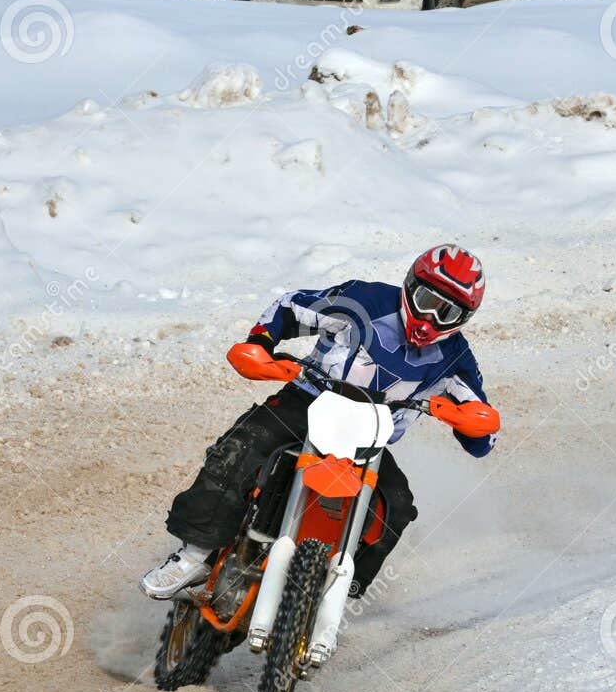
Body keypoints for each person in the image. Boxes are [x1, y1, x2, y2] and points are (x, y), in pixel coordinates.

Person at [141, 244, 501, 600]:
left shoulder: (456, 358)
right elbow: (291, 307)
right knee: (242, 447)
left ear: (463, 320)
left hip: (370, 436)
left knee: (398, 504)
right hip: (309, 400)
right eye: (427, 301)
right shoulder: (363, 301)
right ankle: (194, 555)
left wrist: (472, 423)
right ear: (410, 285)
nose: (431, 319)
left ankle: (337, 592)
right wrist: (260, 344)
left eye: (448, 313)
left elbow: (484, 436)